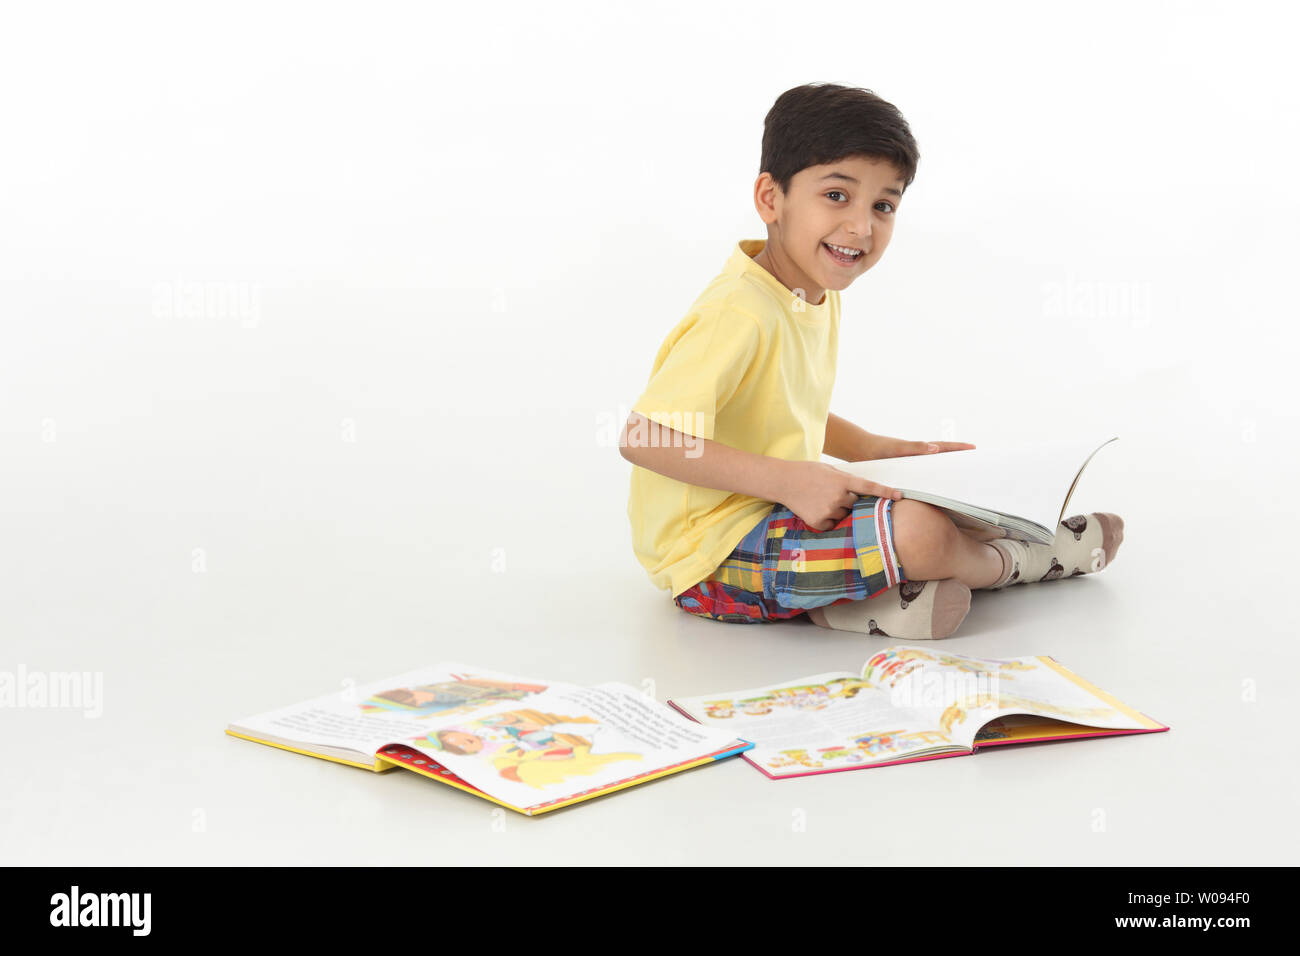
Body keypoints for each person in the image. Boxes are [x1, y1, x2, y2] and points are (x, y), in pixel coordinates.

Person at [619, 83, 1123, 639]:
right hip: (710, 557)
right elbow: (645, 438)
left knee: (949, 503)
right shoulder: (737, 313)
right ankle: (1032, 559)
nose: (862, 226)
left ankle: (870, 607)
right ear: (771, 198)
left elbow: (779, 405)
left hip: (780, 518)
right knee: (920, 533)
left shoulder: (813, 291)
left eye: (883, 205)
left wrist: (875, 451)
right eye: (837, 195)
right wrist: (788, 480)